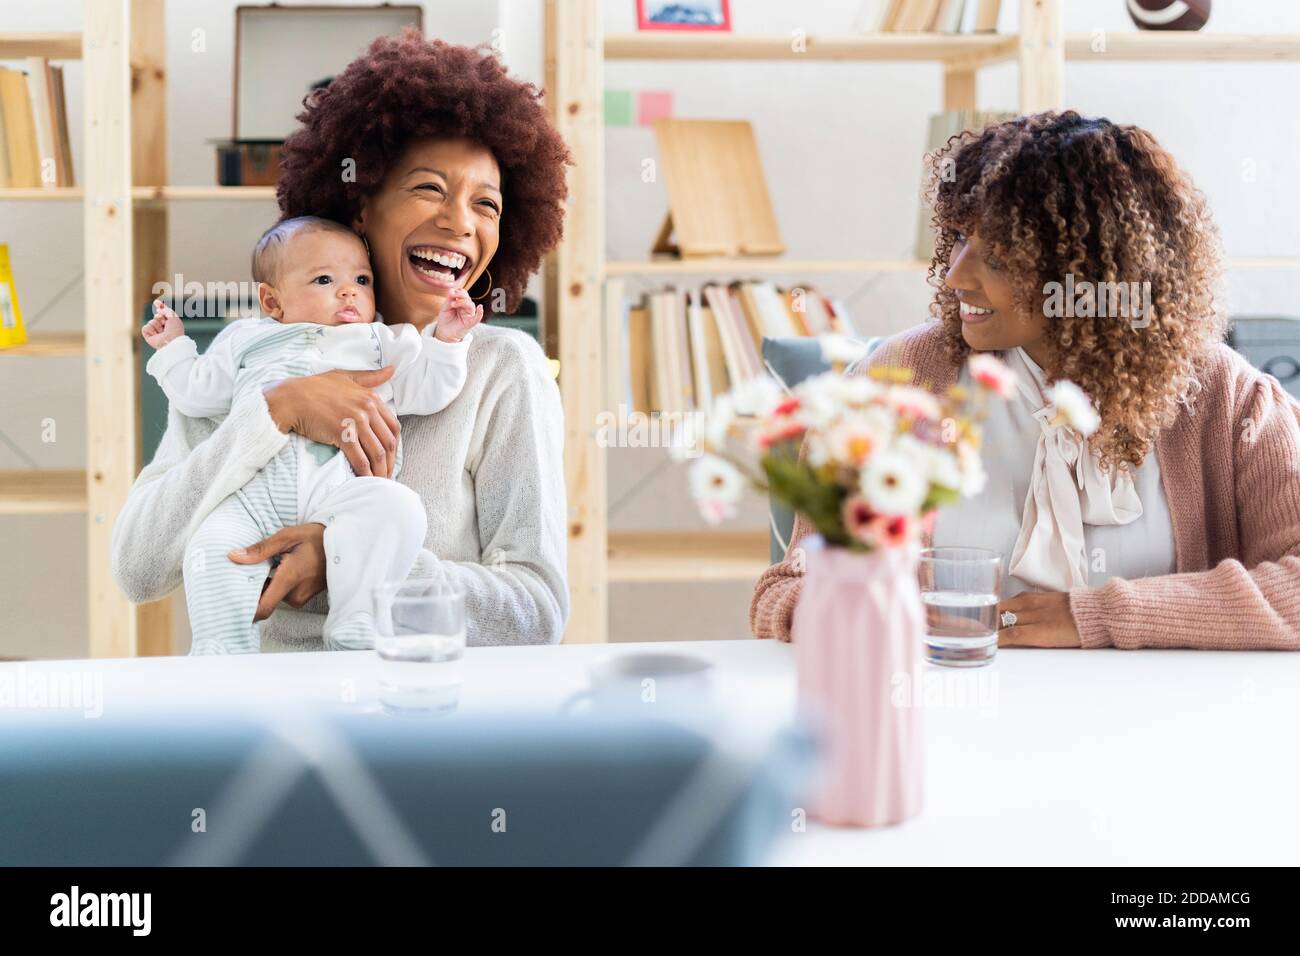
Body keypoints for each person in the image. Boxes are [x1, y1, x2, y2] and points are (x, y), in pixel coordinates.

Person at [752, 111, 1300, 651]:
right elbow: (787, 591)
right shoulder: (898, 383)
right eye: (961, 239)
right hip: (953, 719)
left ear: (1086, 272)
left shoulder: (1230, 401)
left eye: (996, 257)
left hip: (1170, 727)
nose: (955, 276)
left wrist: (1097, 616)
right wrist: (865, 613)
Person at [113, 30, 573, 650]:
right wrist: (275, 412)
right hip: (261, 719)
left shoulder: (502, 369)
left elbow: (537, 612)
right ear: (360, 208)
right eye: (429, 188)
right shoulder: (256, 356)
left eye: (486, 204)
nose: (461, 222)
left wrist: (351, 557)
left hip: (421, 722)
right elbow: (138, 569)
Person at [140, 216, 481, 653]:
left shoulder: (379, 341)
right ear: (272, 301)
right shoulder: (245, 340)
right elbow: (197, 392)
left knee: (398, 507)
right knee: (213, 546)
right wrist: (175, 349)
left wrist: (448, 342)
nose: (349, 291)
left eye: (362, 279)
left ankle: (358, 618)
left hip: (339, 495)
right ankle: (221, 647)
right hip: (253, 498)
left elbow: (429, 389)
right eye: (324, 279)